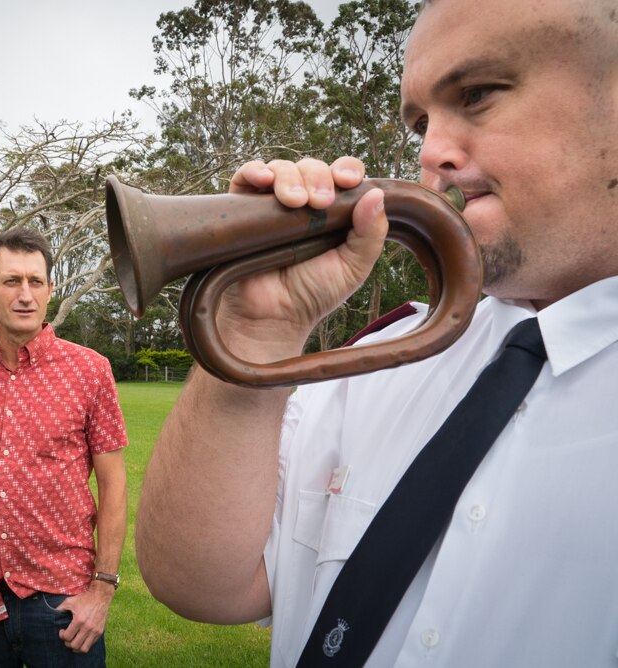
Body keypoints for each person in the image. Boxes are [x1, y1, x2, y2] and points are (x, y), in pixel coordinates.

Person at [134, 0, 618, 666]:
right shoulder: (377, 361)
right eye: (421, 121)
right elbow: (200, 585)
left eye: (477, 95)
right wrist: (259, 329)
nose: (429, 153)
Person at [0, 227, 128, 667]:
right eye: (12, 281)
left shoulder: (90, 371)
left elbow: (115, 486)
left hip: (63, 600)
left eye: (36, 282)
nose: (25, 295)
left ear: (49, 289)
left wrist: (102, 589)